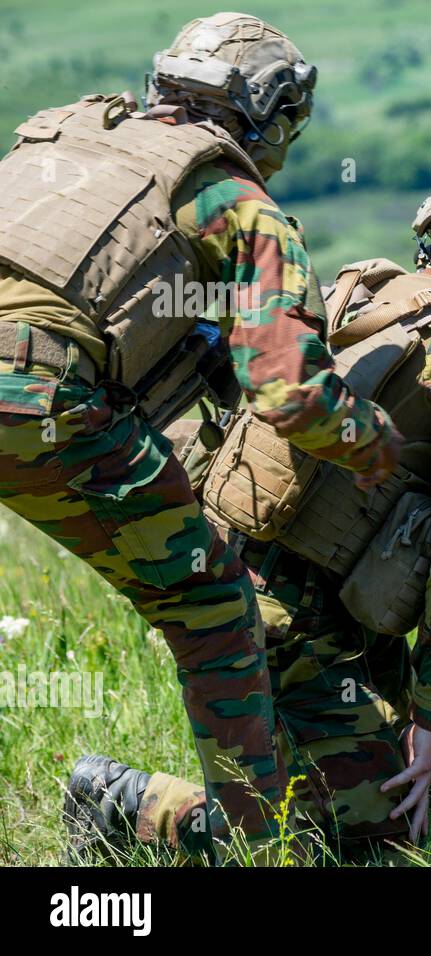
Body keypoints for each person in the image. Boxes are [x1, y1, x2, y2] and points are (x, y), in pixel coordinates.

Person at [68, 164, 431, 861]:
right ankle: (128, 803)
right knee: (360, 849)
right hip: (294, 625)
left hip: (237, 580)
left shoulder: (356, 297)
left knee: (408, 788)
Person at [0, 11, 400, 863]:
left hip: (40, 381)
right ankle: (258, 848)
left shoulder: (64, 136)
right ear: (272, 111)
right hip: (32, 395)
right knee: (216, 609)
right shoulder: (232, 197)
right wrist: (373, 440)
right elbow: (292, 391)